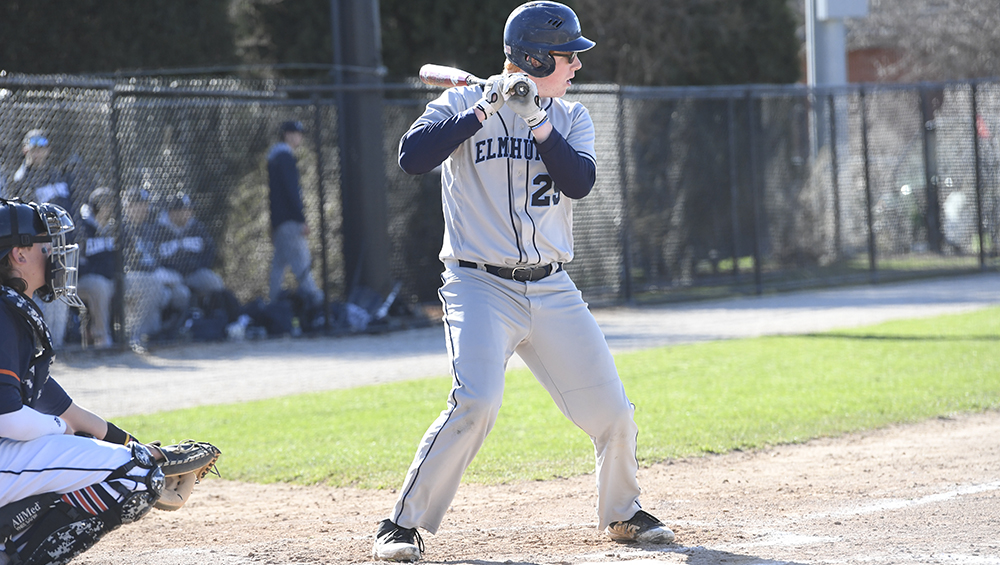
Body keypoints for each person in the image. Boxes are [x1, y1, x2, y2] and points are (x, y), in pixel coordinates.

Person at [373, 2, 675, 562]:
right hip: (479, 286)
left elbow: (579, 182)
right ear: (534, 58)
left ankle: (623, 512)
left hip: (553, 288)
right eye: (567, 57)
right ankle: (401, 524)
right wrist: (486, 108)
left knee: (614, 414)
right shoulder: (462, 100)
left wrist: (536, 119)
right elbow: (413, 157)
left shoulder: (570, 115)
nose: (577, 66)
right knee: (477, 401)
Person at [0, 198, 166, 564]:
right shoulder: (4, 315)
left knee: (137, 465)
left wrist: (143, 450)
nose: (57, 254)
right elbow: (8, 418)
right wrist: (59, 430)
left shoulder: (13, 310)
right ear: (19, 255)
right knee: (136, 476)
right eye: (47, 246)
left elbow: (74, 416)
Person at [7, 129, 74, 349]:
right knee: (43, 290)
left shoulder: (56, 175)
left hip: (62, 240)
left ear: (48, 150)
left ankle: (57, 344)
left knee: (61, 288)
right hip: (38, 244)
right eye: (34, 148)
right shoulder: (21, 178)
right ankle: (40, 342)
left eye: (42, 147)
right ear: (25, 149)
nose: (38, 152)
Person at [120, 187, 185, 351]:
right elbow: (126, 264)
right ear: (127, 207)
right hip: (127, 277)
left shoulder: (149, 229)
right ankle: (137, 336)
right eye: (138, 205)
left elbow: (156, 260)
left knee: (181, 293)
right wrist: (155, 273)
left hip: (150, 275)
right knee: (153, 283)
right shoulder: (121, 229)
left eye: (145, 204)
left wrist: (162, 273)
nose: (144, 208)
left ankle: (163, 333)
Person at [267, 120, 323, 307]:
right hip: (290, 221)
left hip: (280, 222)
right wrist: (301, 219)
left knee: (279, 265)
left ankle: (273, 302)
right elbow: (291, 191)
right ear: (287, 135)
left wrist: (274, 224)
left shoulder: (274, 157)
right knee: (302, 263)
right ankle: (317, 302)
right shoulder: (285, 157)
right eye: (296, 133)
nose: (299, 137)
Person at [152, 191, 224, 306]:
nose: (188, 213)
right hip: (171, 277)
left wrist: (198, 265)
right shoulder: (157, 231)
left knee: (213, 282)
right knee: (181, 295)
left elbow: (210, 250)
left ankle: (214, 317)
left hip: (193, 273)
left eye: (189, 209)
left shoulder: (197, 227)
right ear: (172, 212)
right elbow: (154, 257)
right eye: (184, 210)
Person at [75, 187, 118, 348]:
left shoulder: (114, 227)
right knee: (100, 286)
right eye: (105, 205)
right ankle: (102, 337)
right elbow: (79, 264)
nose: (109, 208)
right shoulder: (82, 227)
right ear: (95, 207)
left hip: (108, 279)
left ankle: (134, 334)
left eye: (110, 204)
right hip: (83, 281)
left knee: (131, 283)